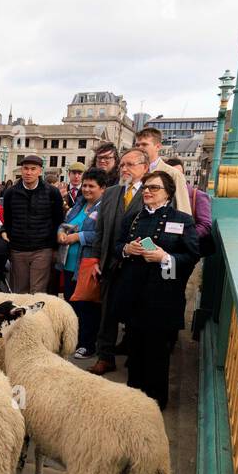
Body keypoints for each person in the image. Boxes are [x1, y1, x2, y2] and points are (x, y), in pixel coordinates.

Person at [111, 171, 199, 410]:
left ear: (168, 193)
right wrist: (127, 249)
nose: (147, 192)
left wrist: (165, 257)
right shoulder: (133, 219)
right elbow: (117, 247)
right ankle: (133, 399)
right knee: (135, 350)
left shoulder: (182, 220)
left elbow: (191, 255)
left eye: (154, 188)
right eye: (146, 187)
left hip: (162, 295)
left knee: (157, 353)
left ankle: (155, 403)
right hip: (134, 292)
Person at [88, 148, 147, 376]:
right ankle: (105, 357)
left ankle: (135, 355)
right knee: (107, 312)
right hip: (109, 263)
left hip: (136, 265)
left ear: (144, 167)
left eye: (130, 164)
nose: (124, 169)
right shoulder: (111, 193)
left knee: (136, 311)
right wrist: (95, 258)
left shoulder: (151, 192)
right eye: (122, 165)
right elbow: (100, 229)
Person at [56, 168, 108, 360]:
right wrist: (61, 232)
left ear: (102, 188)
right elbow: (65, 223)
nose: (86, 189)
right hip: (69, 262)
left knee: (88, 306)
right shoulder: (79, 204)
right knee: (71, 303)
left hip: (87, 264)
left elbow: (104, 234)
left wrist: (79, 236)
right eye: (84, 185)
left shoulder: (104, 208)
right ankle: (73, 340)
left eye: (91, 186)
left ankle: (87, 343)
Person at [1, 154, 64, 294]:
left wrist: (53, 248)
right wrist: (6, 234)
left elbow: (58, 220)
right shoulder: (11, 193)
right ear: (21, 170)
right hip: (18, 249)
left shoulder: (52, 192)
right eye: (25, 168)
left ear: (40, 171)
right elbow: (8, 219)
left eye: (33, 169)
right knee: (20, 291)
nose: (28, 172)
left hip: (42, 249)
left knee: (38, 291)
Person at [134, 127, 192, 215]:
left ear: (158, 147)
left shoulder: (173, 174)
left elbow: (183, 209)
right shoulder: (132, 172)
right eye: (137, 145)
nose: (140, 148)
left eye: (144, 144)